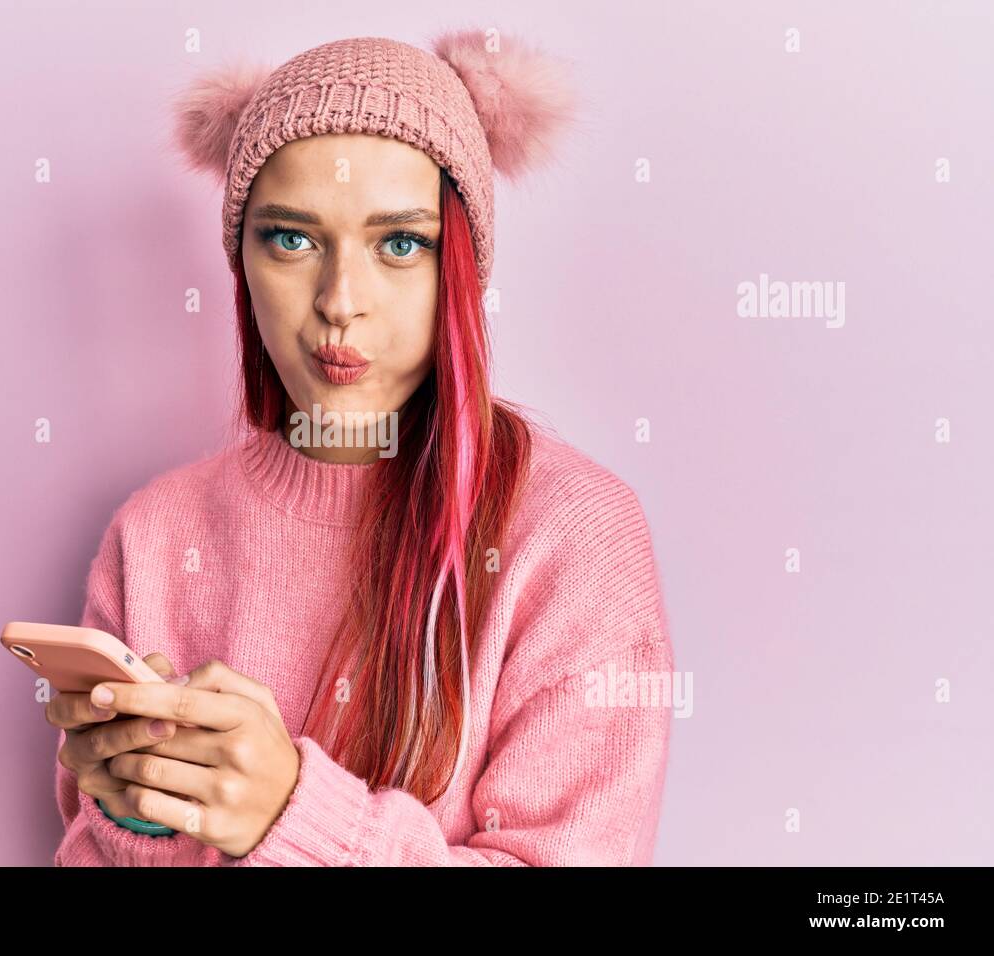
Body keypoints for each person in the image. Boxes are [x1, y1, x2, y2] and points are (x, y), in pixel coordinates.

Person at [47, 31, 675, 866]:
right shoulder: (155, 536)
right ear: (239, 259)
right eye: (292, 239)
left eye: (401, 244)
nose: (341, 303)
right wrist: (142, 815)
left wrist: (288, 814)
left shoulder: (573, 538)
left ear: (462, 268)